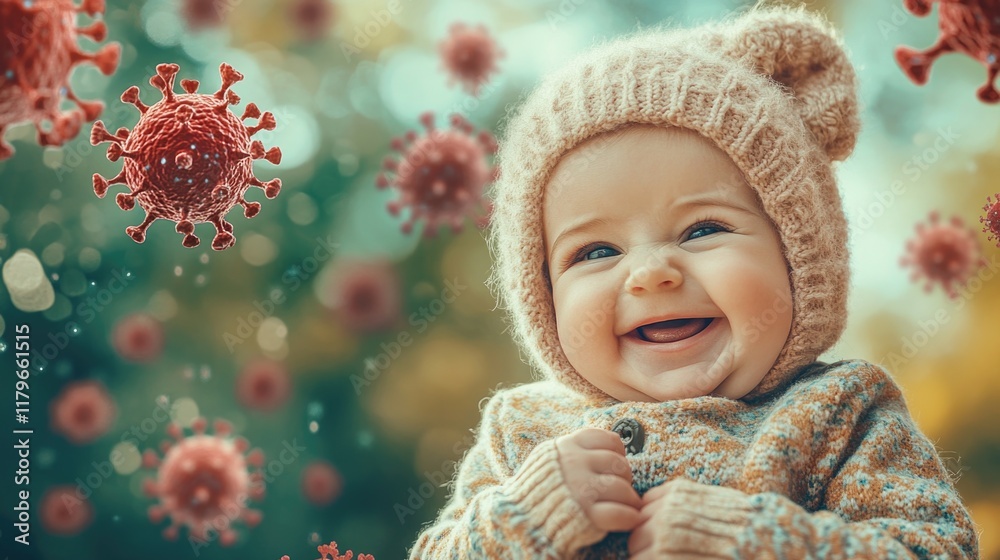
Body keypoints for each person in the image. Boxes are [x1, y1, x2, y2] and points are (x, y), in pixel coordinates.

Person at [407, 5, 980, 558]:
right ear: (543, 296)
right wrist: (522, 523)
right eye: (597, 250)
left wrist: (754, 542)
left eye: (703, 229)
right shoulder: (523, 436)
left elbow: (935, 547)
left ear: (799, 256)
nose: (652, 273)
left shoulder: (841, 413)